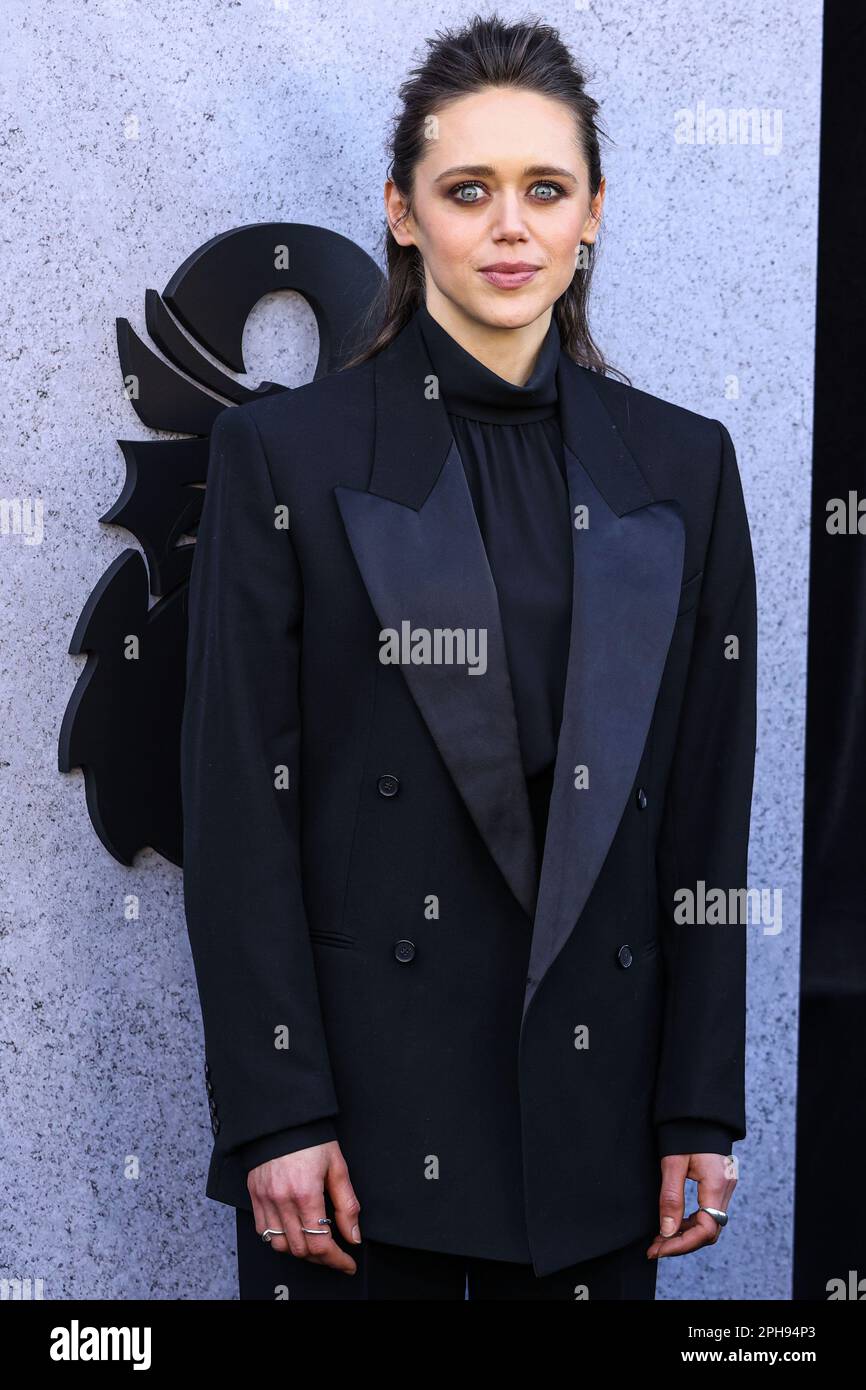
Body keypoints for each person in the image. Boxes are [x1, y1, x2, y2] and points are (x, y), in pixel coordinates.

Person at [180, 14, 756, 1301]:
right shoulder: (287, 457)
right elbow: (233, 808)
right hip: (352, 1161)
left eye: (543, 189)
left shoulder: (683, 467)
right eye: (466, 190)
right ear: (400, 211)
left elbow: (706, 820)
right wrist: (275, 1114)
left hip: (597, 1142)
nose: (509, 226)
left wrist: (693, 1110)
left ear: (591, 212)